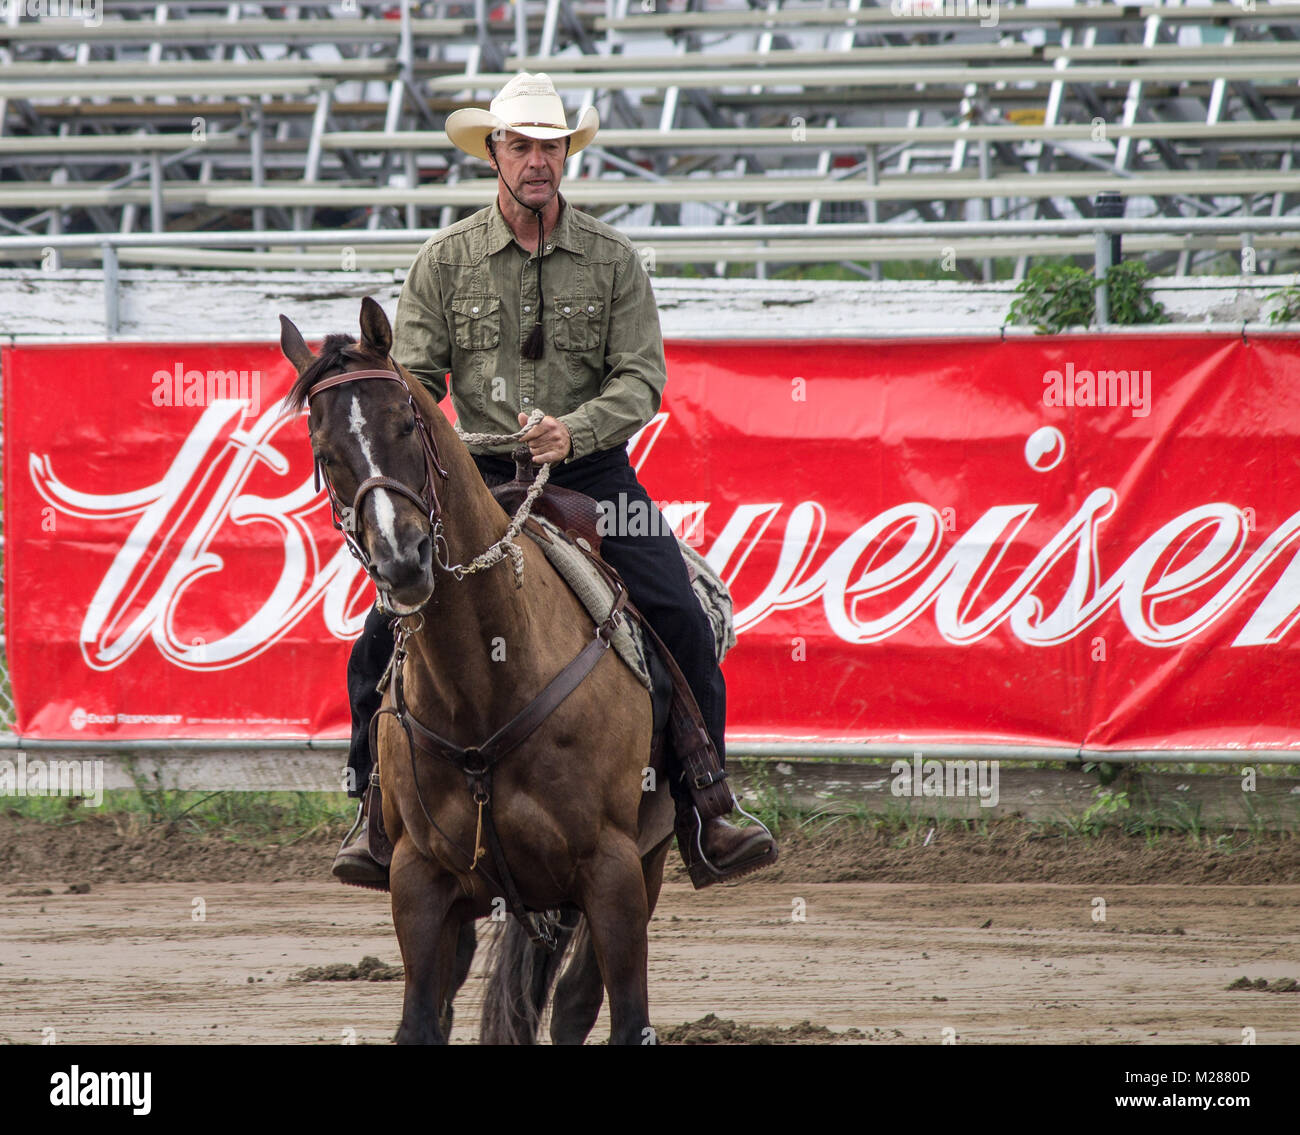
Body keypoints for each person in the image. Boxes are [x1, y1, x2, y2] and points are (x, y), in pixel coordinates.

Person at [332, 72, 775, 890]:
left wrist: (576, 429)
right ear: (493, 152)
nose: (539, 161)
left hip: (593, 472)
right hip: (476, 475)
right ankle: (371, 809)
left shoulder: (611, 259)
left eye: (552, 146)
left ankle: (708, 805)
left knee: (677, 611)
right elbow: (417, 379)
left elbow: (641, 379)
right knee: (376, 636)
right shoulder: (445, 260)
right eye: (523, 145)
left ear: (568, 155)